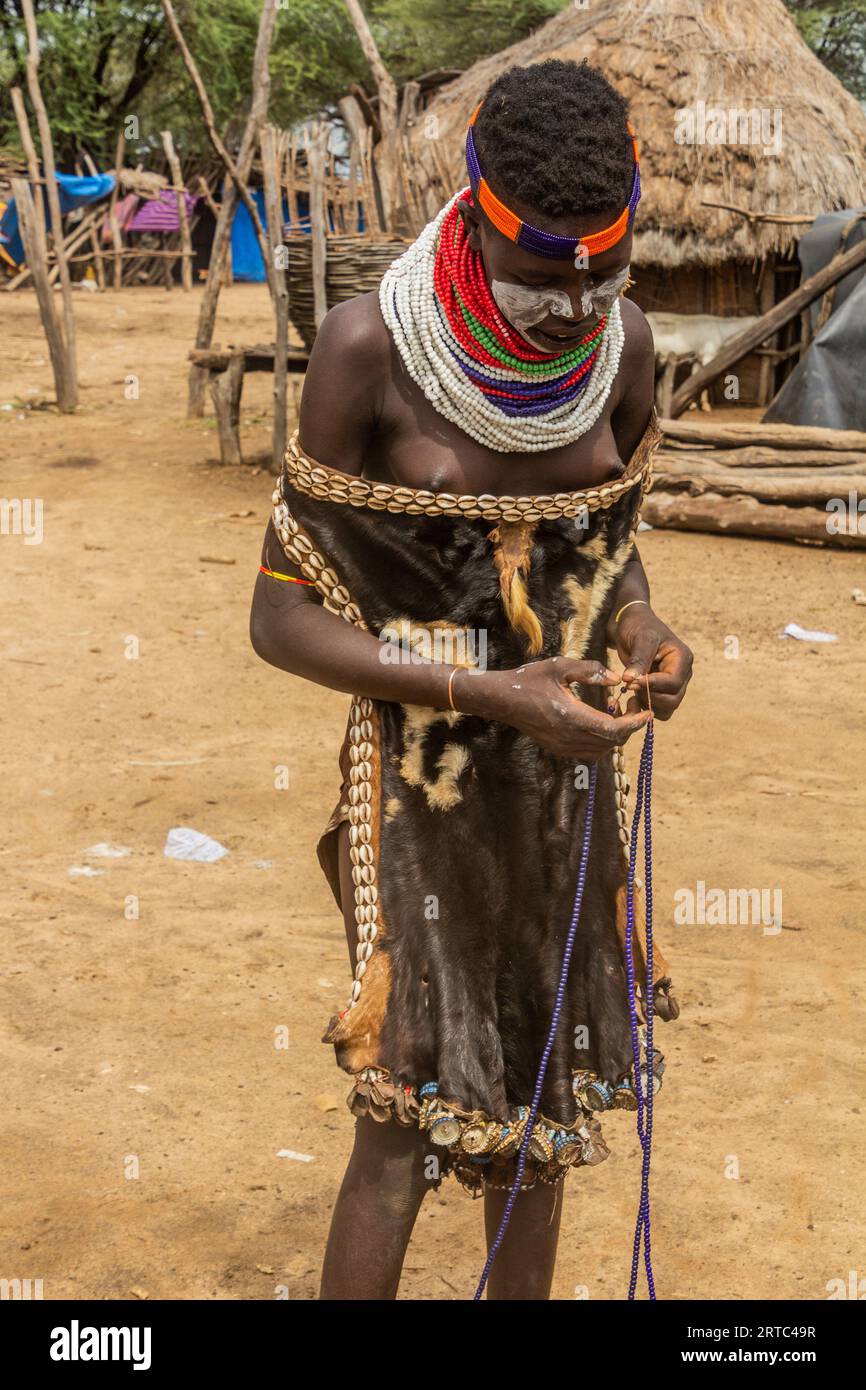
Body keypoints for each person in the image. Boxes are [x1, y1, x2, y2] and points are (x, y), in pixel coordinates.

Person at [251, 58, 692, 1300]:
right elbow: (279, 618)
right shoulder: (366, 350)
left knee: (538, 1120)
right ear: (478, 208)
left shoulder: (626, 344)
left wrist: (646, 634)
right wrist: (489, 694)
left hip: (565, 794)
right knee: (402, 1119)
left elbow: (603, 549)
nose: (573, 303)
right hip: (420, 781)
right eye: (542, 272)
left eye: (598, 270)